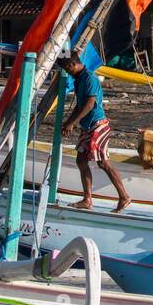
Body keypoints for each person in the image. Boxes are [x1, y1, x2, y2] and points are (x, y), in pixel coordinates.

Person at [56, 51, 130, 212]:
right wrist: (70, 122)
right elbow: (80, 105)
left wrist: (73, 123)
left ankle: (124, 197)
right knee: (81, 161)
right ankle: (87, 199)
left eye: (67, 69)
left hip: (98, 125)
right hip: (87, 126)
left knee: (103, 162)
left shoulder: (90, 78)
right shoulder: (78, 80)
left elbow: (89, 104)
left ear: (72, 64)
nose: (67, 73)